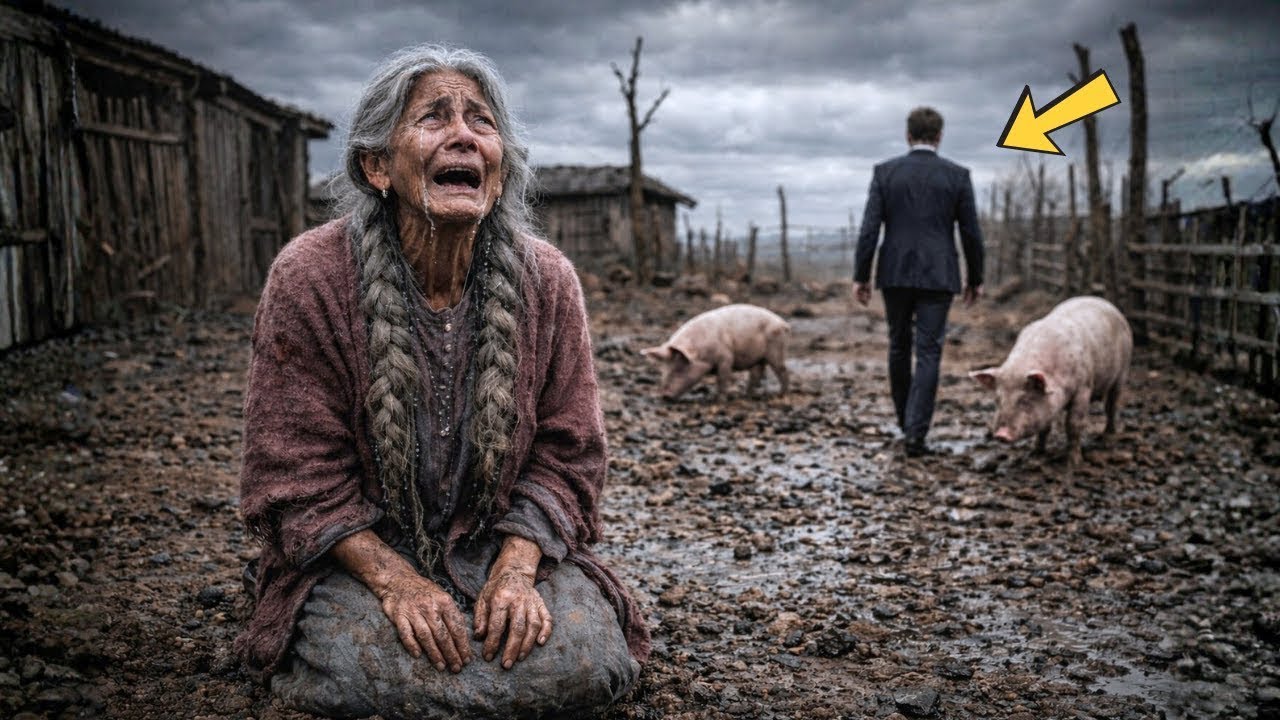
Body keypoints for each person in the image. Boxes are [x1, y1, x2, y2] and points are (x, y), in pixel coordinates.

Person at [233, 44, 647, 719]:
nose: (463, 135)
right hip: (358, 557)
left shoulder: (547, 280)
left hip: (501, 543)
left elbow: (571, 452)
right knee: (380, 678)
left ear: (500, 164)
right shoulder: (310, 276)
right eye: (433, 118)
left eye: (481, 122)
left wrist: (516, 572)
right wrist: (396, 582)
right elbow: (293, 471)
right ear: (376, 167)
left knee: (582, 663)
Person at [852, 106, 984, 458]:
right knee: (929, 351)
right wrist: (976, 277)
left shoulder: (885, 173)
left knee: (898, 345)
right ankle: (916, 433)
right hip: (939, 275)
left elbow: (869, 229)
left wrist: (861, 276)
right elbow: (971, 232)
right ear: (939, 136)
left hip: (894, 272)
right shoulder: (957, 176)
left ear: (908, 135)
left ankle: (903, 420)